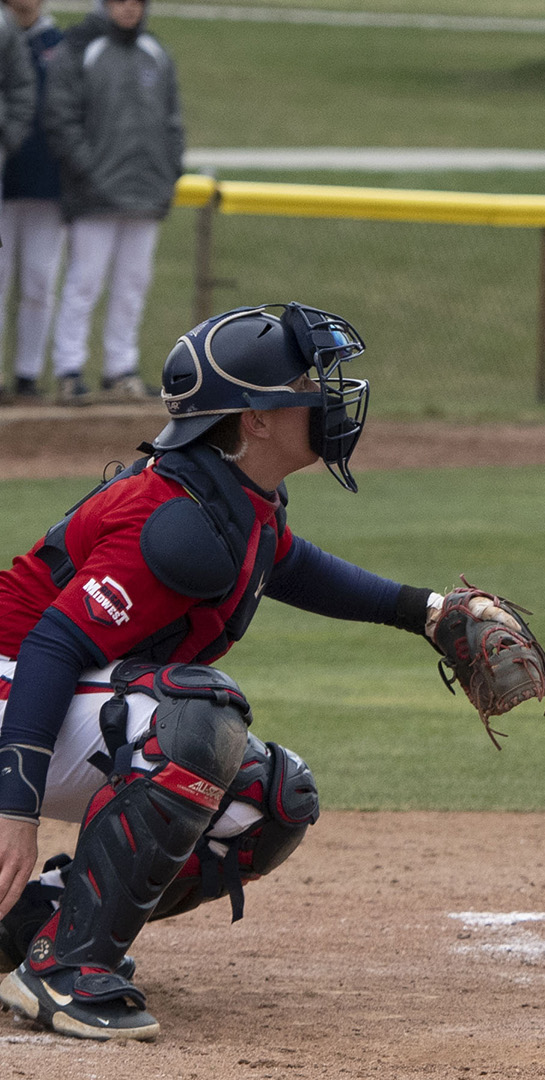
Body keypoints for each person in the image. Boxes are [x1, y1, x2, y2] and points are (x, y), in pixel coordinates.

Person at [0, 303, 456, 1040]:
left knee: (270, 800)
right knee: (196, 713)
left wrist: (425, 611)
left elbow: (291, 563)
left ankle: (36, 923)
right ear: (256, 419)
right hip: (14, 690)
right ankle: (67, 973)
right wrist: (13, 813)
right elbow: (53, 644)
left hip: (32, 697)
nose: (325, 394)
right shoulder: (175, 519)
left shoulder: (230, 494)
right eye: (305, 383)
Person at [41, 0, 183, 406]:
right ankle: (69, 369)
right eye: (120, 1)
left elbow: (173, 121)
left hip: (146, 193)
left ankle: (122, 368)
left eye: (136, 2)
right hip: (94, 195)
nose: (129, 9)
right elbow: (61, 119)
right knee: (84, 282)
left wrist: (168, 170)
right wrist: (89, 171)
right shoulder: (82, 48)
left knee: (133, 284)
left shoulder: (155, 52)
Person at [0, 0, 65, 405]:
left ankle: (27, 374)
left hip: (45, 181)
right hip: (4, 177)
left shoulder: (60, 43)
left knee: (40, 282)